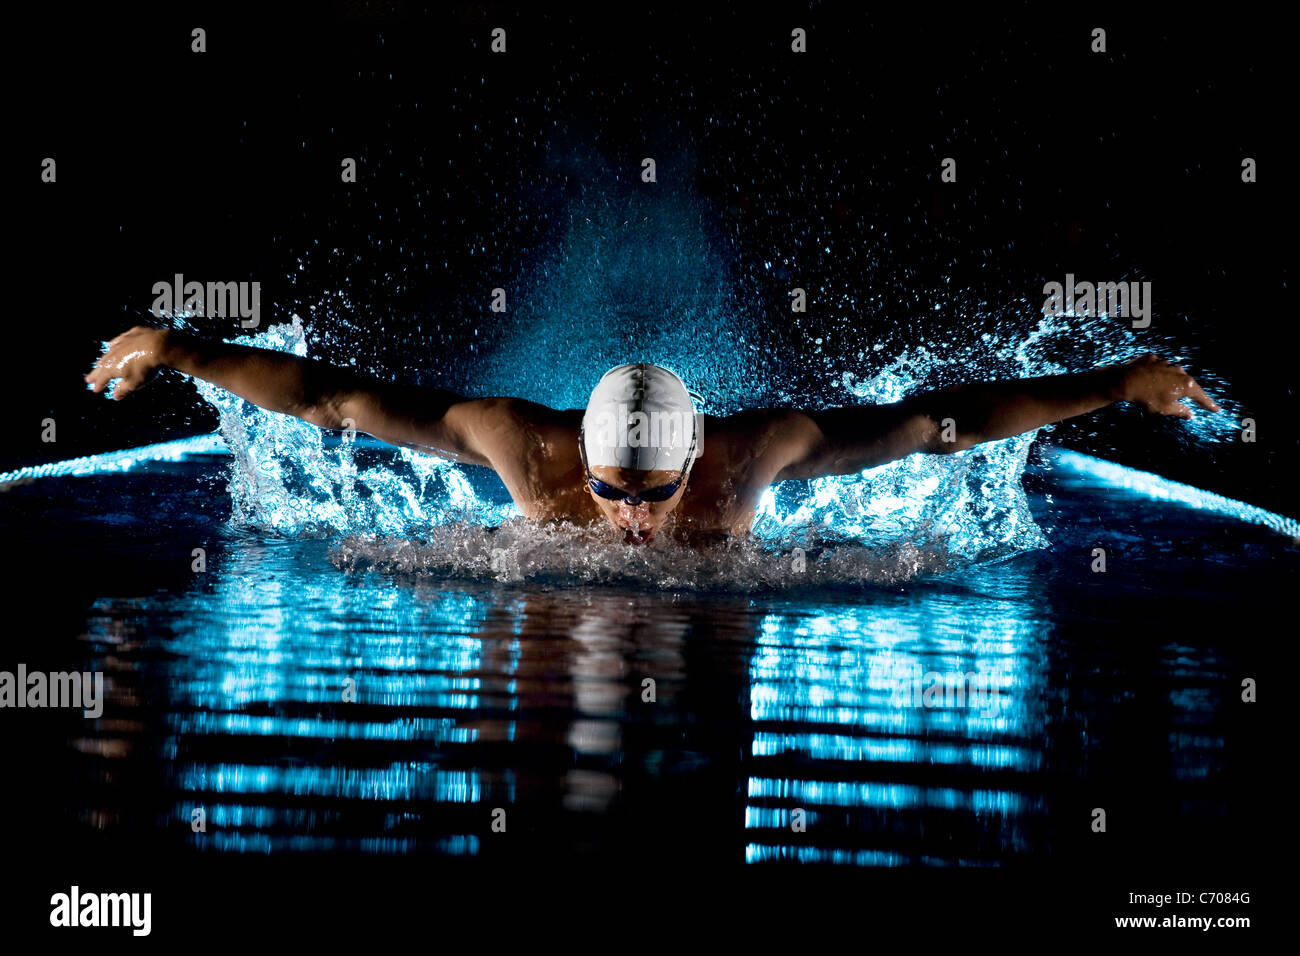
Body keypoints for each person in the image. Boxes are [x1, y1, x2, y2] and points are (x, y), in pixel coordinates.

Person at [85, 326, 1220, 544]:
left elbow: (942, 425)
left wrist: (1118, 380)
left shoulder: (751, 460)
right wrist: (179, 350)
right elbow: (334, 399)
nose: (628, 517)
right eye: (613, 490)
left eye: (650, 493)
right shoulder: (519, 447)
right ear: (577, 456)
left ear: (695, 459)